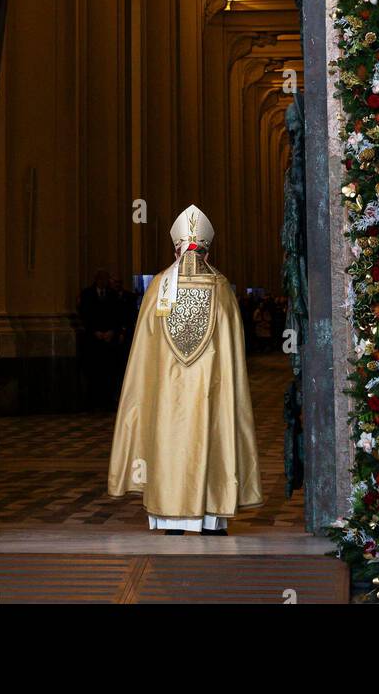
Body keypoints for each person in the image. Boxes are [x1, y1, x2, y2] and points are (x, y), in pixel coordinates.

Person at [108, 205, 262, 534]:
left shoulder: (157, 289)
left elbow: (142, 360)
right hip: (211, 395)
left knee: (168, 439)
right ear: (207, 249)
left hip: (166, 399)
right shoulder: (221, 289)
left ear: (175, 248)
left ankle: (170, 517)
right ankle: (210, 518)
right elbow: (233, 355)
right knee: (213, 436)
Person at [78, 268, 122, 410]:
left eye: (106, 279)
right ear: (97, 280)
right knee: (94, 372)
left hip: (110, 340)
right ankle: (93, 401)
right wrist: (94, 332)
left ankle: (107, 401)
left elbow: (117, 316)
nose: (104, 282)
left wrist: (112, 332)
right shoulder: (87, 294)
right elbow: (85, 316)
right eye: (102, 279)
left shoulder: (113, 295)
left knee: (109, 372)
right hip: (93, 340)